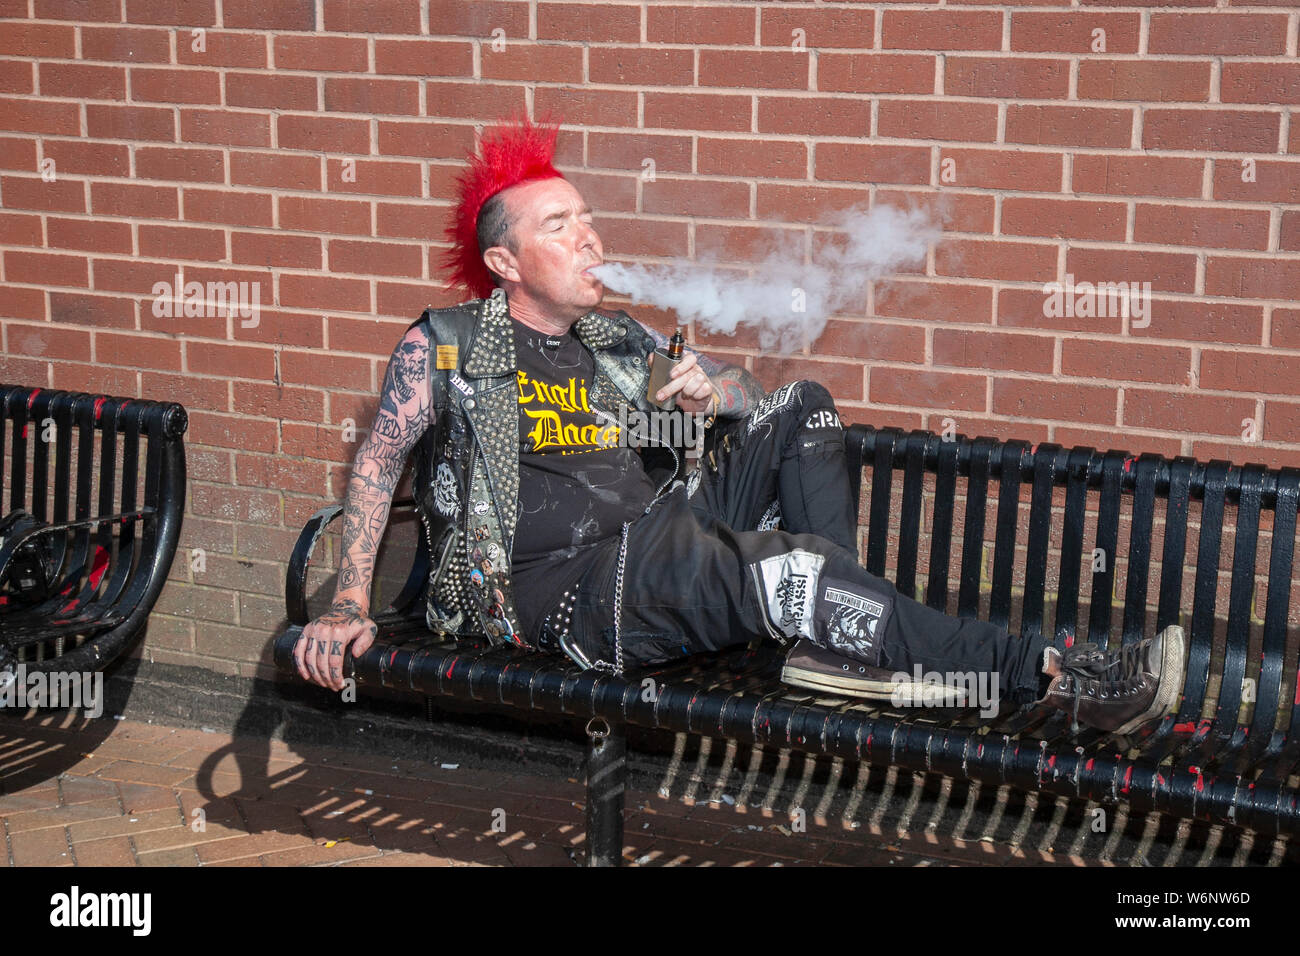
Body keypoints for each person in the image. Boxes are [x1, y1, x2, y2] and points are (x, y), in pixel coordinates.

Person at [293, 118, 1185, 736]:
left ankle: (830, 639)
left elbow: (748, 401)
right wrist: (346, 604)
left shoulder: (617, 336)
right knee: (789, 568)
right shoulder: (446, 345)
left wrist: (713, 394)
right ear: (504, 262)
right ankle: (1052, 676)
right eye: (562, 226)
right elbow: (377, 467)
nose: (593, 240)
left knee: (803, 402)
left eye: (591, 218)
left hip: (658, 531)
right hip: (562, 593)